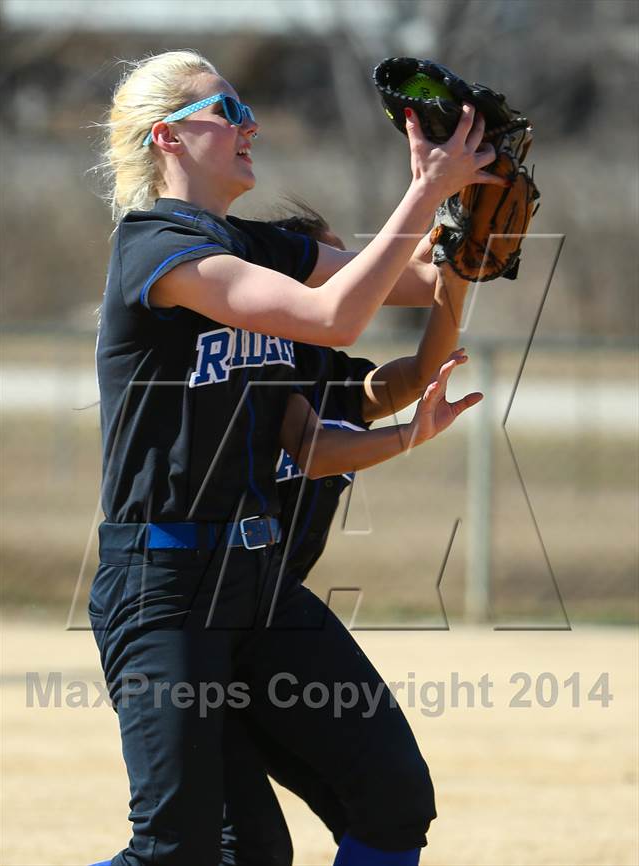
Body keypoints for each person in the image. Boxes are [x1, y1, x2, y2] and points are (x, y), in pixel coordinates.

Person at [88, 49, 504, 866]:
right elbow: (336, 320)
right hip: (163, 587)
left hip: (258, 582)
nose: (251, 128)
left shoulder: (261, 245)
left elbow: (416, 284)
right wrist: (428, 190)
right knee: (180, 851)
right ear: (166, 138)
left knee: (391, 798)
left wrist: (467, 225)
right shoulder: (155, 251)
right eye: (227, 114)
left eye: (248, 112)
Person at [218, 205, 473, 866]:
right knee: (240, 849)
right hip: (202, 616)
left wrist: (461, 275)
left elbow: (416, 375)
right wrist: (410, 433)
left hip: (270, 619)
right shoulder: (256, 369)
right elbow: (312, 449)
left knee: (392, 803)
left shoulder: (326, 373)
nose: (351, 275)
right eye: (331, 264)